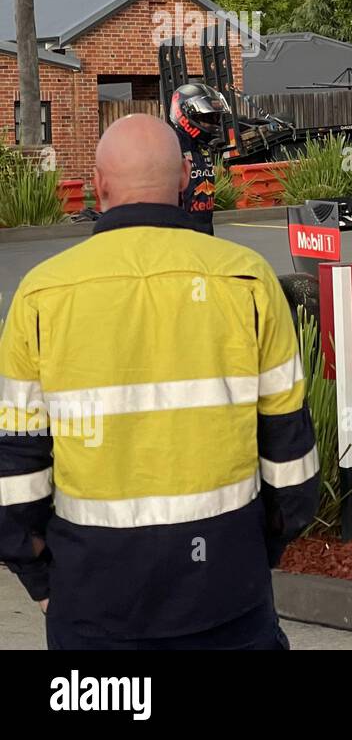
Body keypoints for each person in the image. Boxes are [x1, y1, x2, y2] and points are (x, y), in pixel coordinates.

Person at [0, 114, 319, 649]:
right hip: (227, 591)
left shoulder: (40, 295)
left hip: (93, 598)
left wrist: (40, 578)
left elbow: (16, 467)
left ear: (98, 184)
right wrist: (254, 553)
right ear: (183, 180)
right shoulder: (247, 279)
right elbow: (290, 459)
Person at [169, 82, 232, 235]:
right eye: (207, 118)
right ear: (185, 114)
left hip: (204, 232)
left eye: (215, 118)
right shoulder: (170, 147)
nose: (213, 124)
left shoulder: (201, 147)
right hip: (180, 235)